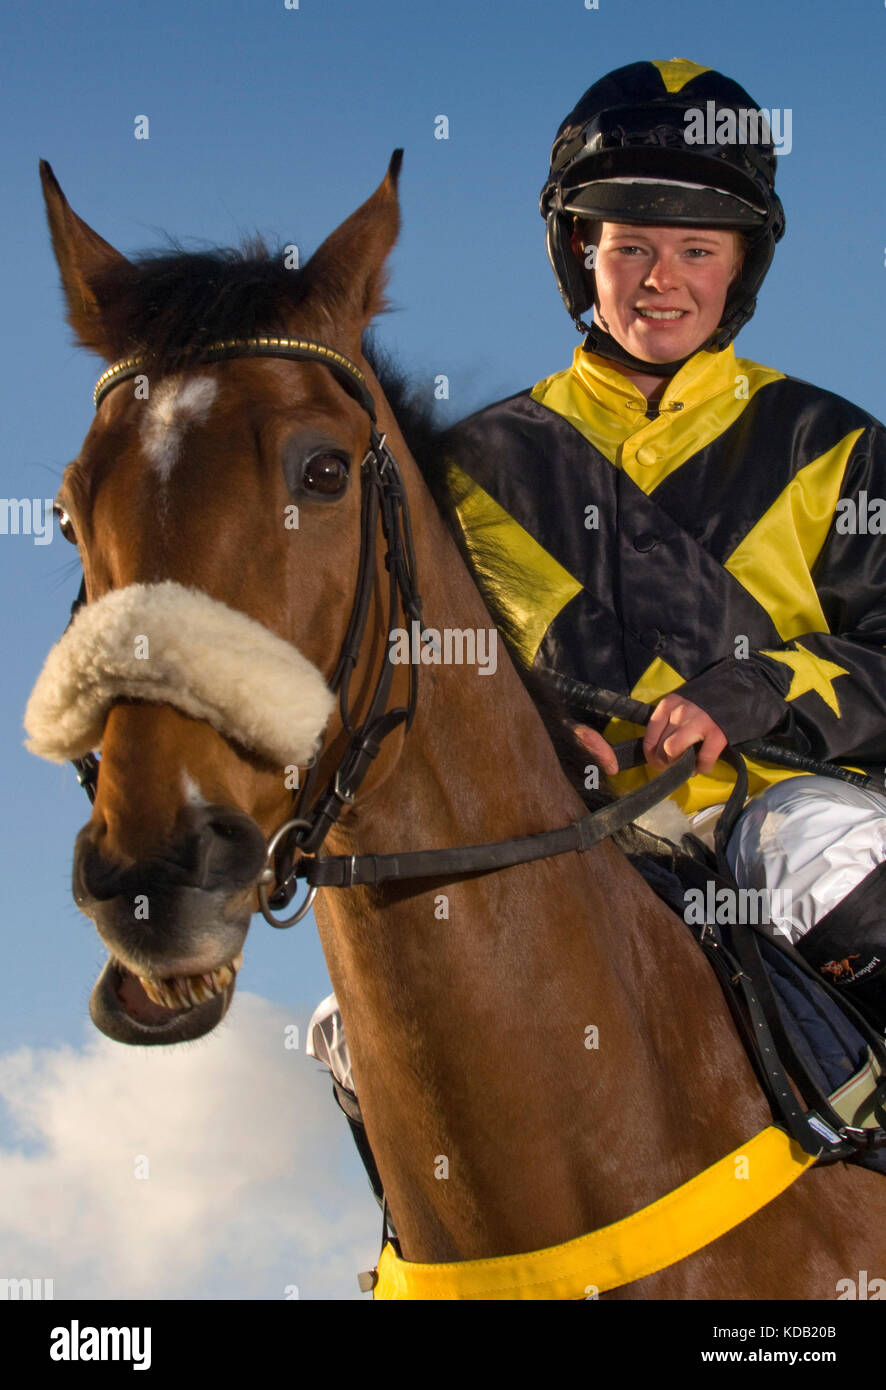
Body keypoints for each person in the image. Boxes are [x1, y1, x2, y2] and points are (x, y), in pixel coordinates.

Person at [309, 58, 886, 1198]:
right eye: (628, 245)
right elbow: (435, 676)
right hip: (570, 835)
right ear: (579, 253)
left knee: (844, 865)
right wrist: (541, 740)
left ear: (742, 267)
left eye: (695, 250)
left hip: (781, 806)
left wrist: (753, 693)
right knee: (353, 1022)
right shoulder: (466, 471)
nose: (659, 280)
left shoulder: (838, 445)